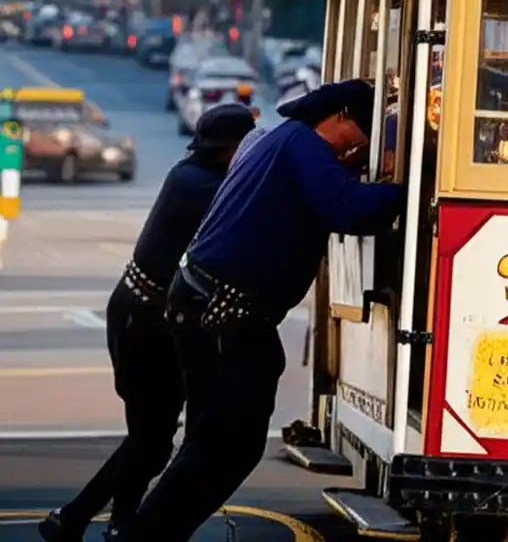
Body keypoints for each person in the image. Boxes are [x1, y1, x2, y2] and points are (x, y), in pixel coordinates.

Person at [117, 80, 404, 541]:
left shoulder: (280, 140)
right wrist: (406, 192)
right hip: (226, 313)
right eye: (358, 135)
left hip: (207, 304)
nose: (359, 148)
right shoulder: (302, 143)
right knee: (226, 445)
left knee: (213, 443)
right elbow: (348, 209)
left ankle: (154, 532)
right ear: (337, 117)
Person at [39, 105, 257, 541]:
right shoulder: (206, 187)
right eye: (245, 146)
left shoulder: (188, 174)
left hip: (142, 315)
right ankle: (73, 517)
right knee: (151, 440)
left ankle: (118, 524)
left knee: (149, 438)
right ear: (228, 149)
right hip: (145, 321)